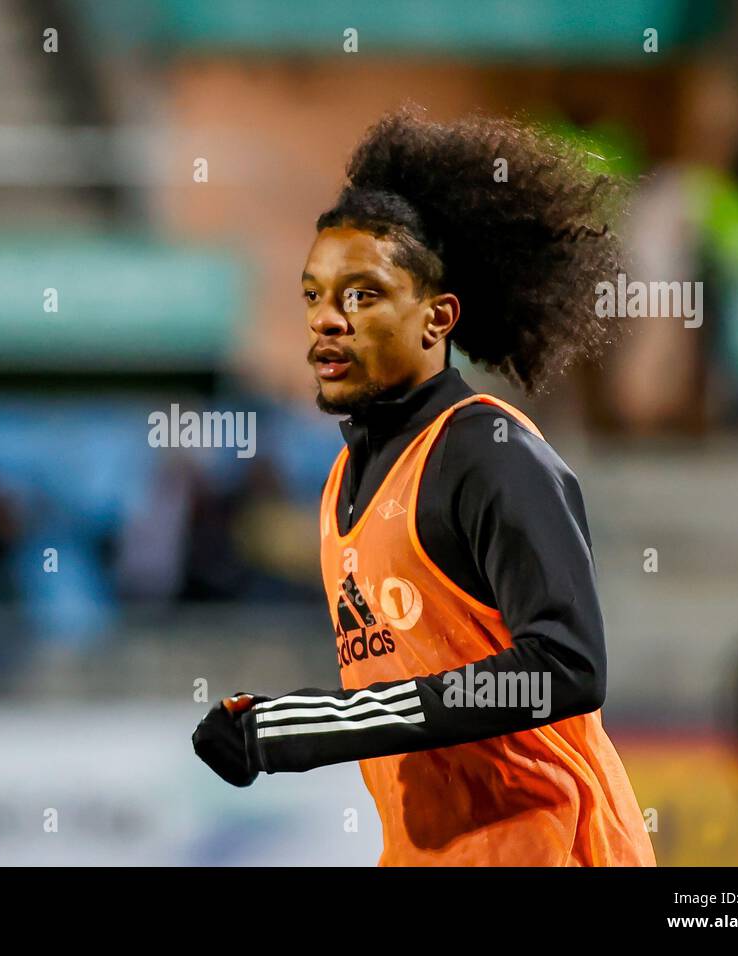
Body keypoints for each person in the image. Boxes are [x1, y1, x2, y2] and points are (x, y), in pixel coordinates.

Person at [192, 108, 655, 866]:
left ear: (437, 318)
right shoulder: (344, 476)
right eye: (313, 295)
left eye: (362, 295)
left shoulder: (490, 454)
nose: (326, 322)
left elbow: (566, 668)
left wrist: (317, 726)